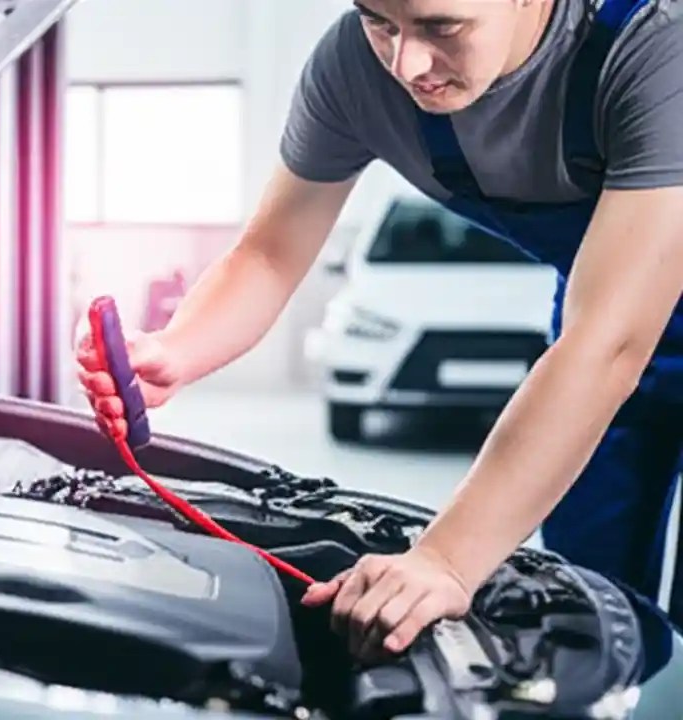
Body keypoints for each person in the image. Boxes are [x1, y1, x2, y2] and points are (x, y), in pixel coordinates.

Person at [74, 0, 683, 662]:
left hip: (610, 329)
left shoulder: (655, 49)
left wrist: (446, 560)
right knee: (591, 604)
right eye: (379, 20)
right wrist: (179, 348)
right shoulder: (354, 69)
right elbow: (270, 252)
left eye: (441, 26)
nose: (405, 62)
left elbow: (609, 345)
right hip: (603, 319)